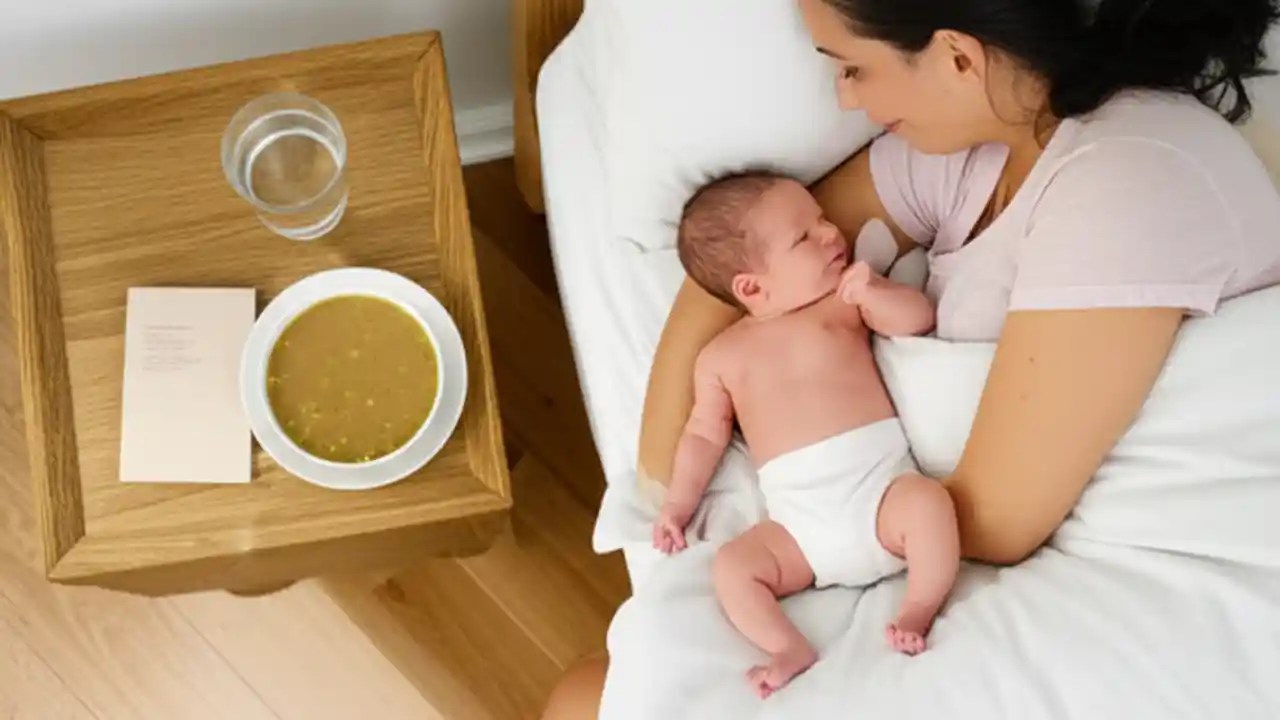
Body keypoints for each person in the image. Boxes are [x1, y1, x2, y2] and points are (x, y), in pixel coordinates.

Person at [544, 0, 1280, 716]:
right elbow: (741, 277)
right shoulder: (973, 153)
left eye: (853, 67)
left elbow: (997, 520)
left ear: (958, 56)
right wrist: (674, 473)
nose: (842, 95)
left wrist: (835, 490)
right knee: (599, 690)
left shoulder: (1129, 178)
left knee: (598, 697)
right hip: (925, 538)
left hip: (1157, 581)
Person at [652, 172, 955, 697]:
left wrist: (876, 291)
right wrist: (678, 505)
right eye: (805, 237)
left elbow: (916, 319)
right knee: (731, 568)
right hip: (799, 530)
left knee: (930, 505)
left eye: (823, 220)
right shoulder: (721, 357)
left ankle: (918, 608)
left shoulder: (841, 302)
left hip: (882, 492)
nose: (832, 234)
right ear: (751, 286)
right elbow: (704, 434)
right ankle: (785, 646)